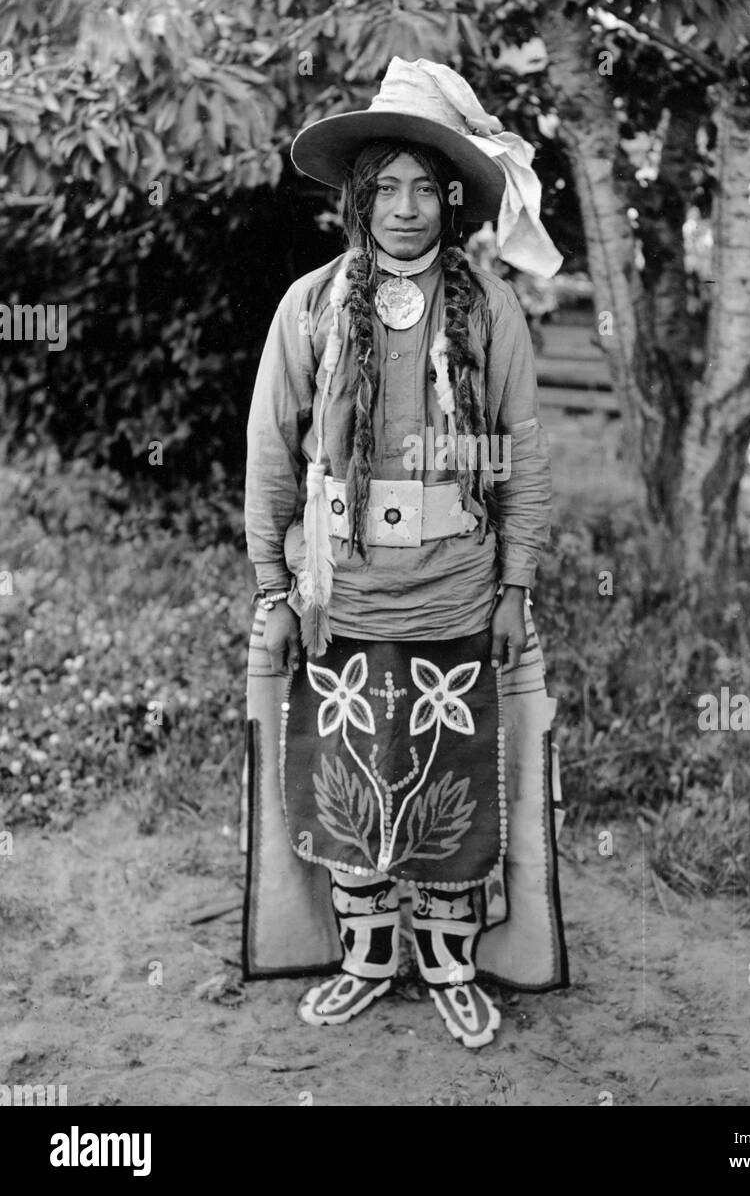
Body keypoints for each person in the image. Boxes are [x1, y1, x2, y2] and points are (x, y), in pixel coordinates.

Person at [243, 57, 568, 1050]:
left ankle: (449, 961)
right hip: (339, 593)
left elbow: (519, 451)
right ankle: (364, 956)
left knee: (448, 776)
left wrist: (515, 582)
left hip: (456, 594)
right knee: (346, 773)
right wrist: (273, 583)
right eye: (385, 187)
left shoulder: (489, 311)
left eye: (426, 187)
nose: (405, 208)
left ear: (452, 199)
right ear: (357, 199)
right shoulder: (308, 305)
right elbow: (270, 445)